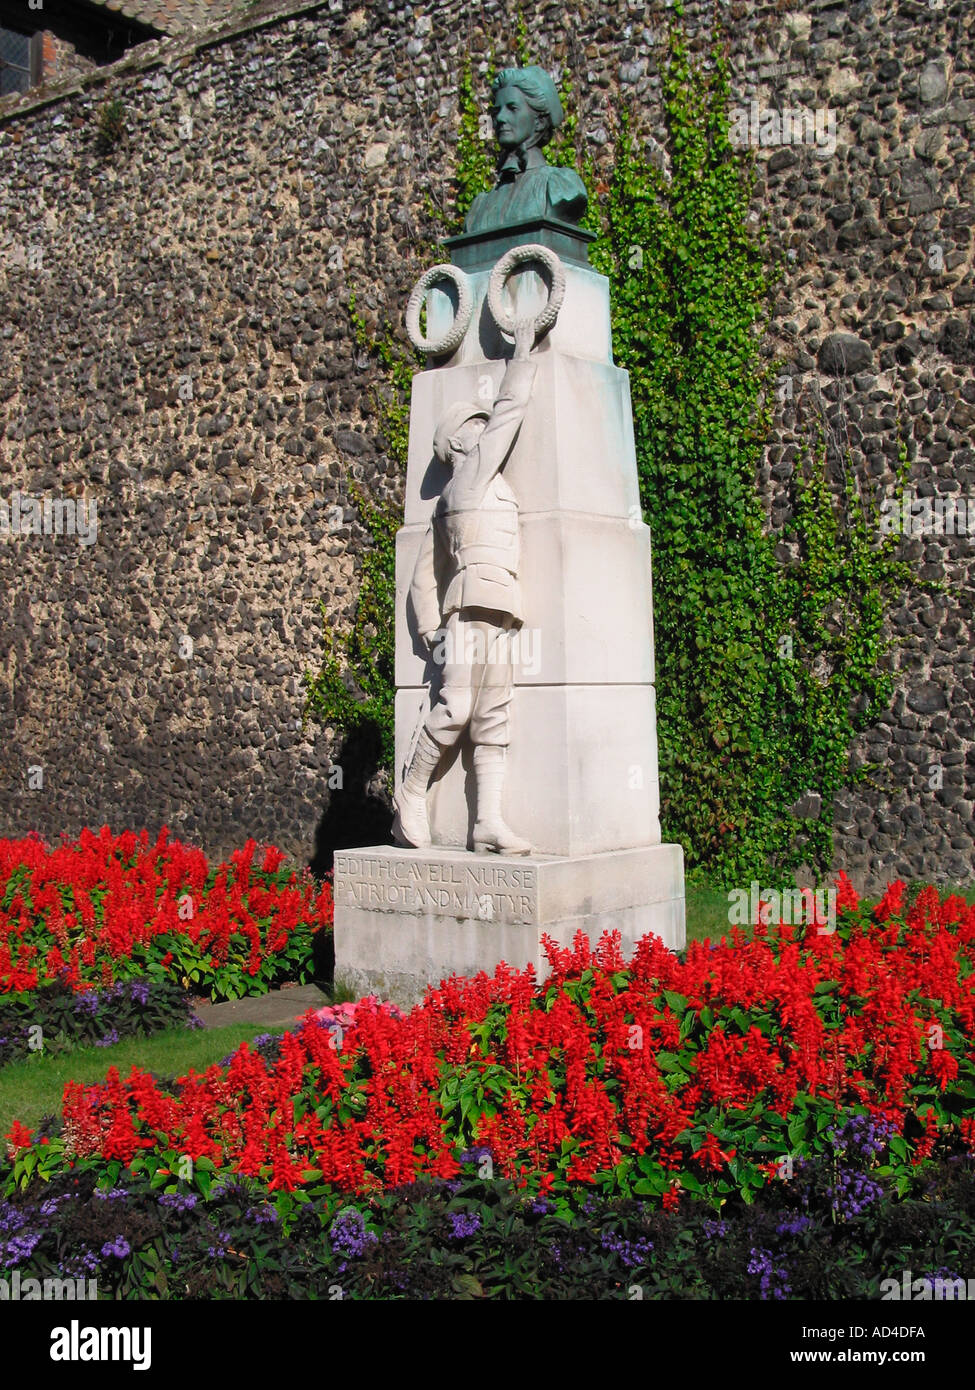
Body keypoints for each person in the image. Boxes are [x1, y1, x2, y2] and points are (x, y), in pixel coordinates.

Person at [393, 316, 539, 854]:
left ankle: (487, 822)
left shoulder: (481, 487)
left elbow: (422, 578)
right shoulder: (469, 477)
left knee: (494, 713)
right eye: (475, 428)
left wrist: (430, 627)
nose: (486, 432)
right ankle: (409, 791)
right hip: (473, 604)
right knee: (455, 707)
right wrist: (521, 353)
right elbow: (509, 411)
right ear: (459, 442)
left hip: (500, 606)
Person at [463, 65, 588, 236]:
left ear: (540, 122)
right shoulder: (479, 208)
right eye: (497, 110)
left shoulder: (560, 187)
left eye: (512, 108)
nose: (500, 118)